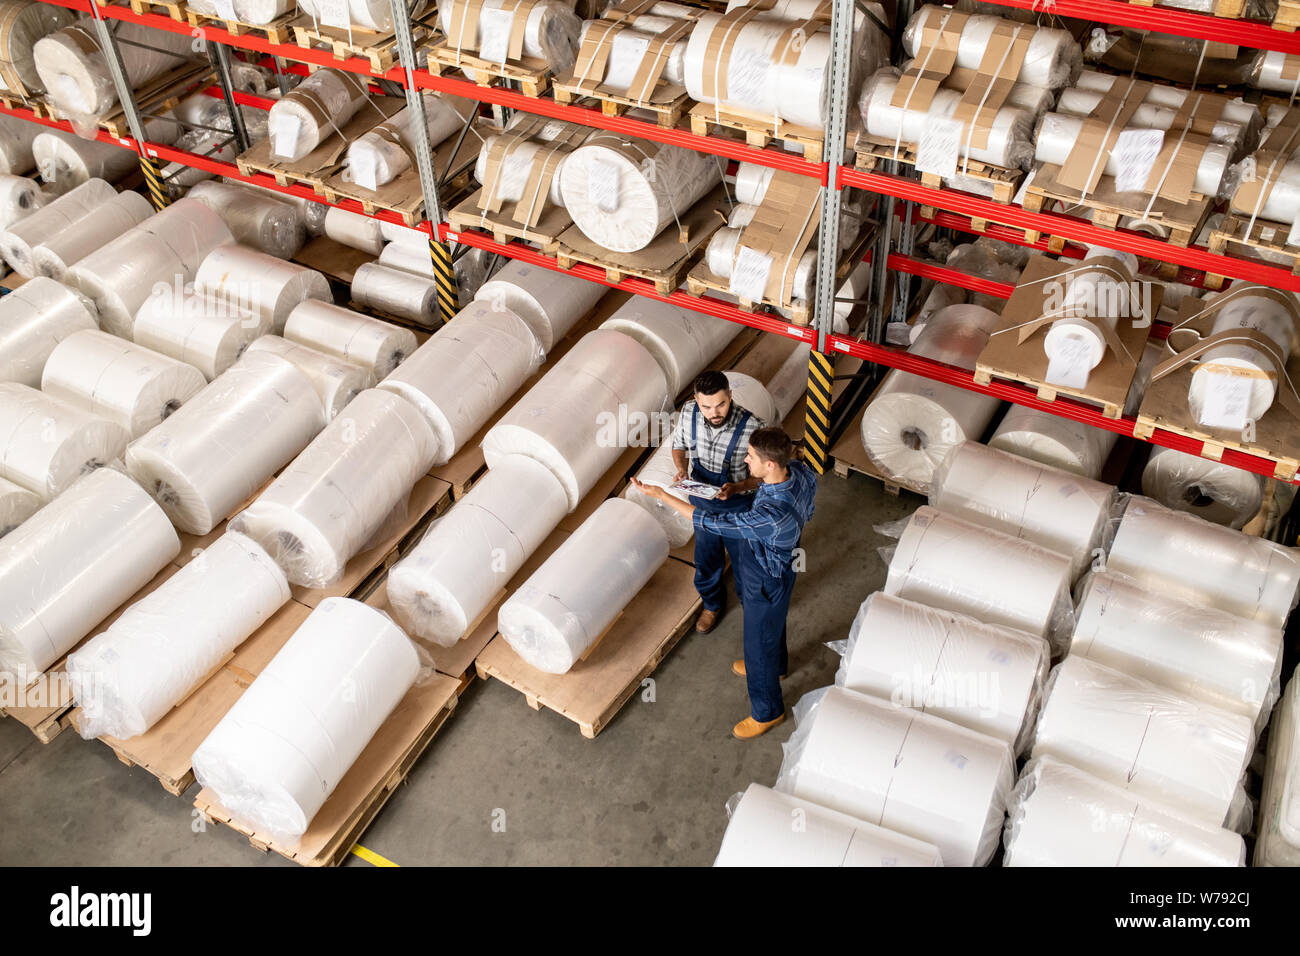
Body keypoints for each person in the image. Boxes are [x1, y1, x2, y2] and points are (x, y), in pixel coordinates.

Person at [633, 427, 816, 739]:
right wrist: (739, 487)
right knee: (773, 624)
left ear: (769, 465)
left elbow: (710, 520)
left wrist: (662, 494)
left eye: (751, 457)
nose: (746, 460)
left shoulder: (771, 516)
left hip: (765, 573)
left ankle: (768, 712)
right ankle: (779, 666)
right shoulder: (799, 472)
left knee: (757, 643)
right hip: (782, 563)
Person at [669, 370, 765, 635]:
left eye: (721, 404)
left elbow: (768, 475)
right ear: (696, 401)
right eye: (706, 406)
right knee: (706, 559)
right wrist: (681, 469)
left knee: (747, 563)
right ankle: (712, 604)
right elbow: (678, 447)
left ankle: (753, 609)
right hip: (703, 501)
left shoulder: (753, 427)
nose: (714, 412)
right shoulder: (689, 414)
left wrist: (739, 487)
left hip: (739, 507)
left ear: (730, 396)